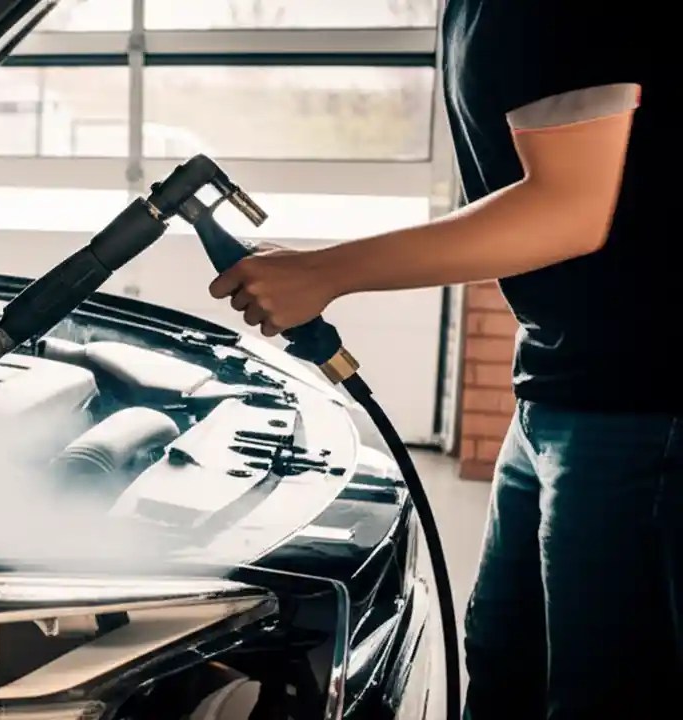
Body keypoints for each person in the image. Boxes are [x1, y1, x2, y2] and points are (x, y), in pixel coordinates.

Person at [206, 2, 675, 718]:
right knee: (503, 656)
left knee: (599, 686)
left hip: (645, 399)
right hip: (560, 379)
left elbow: (570, 208)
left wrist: (327, 272)